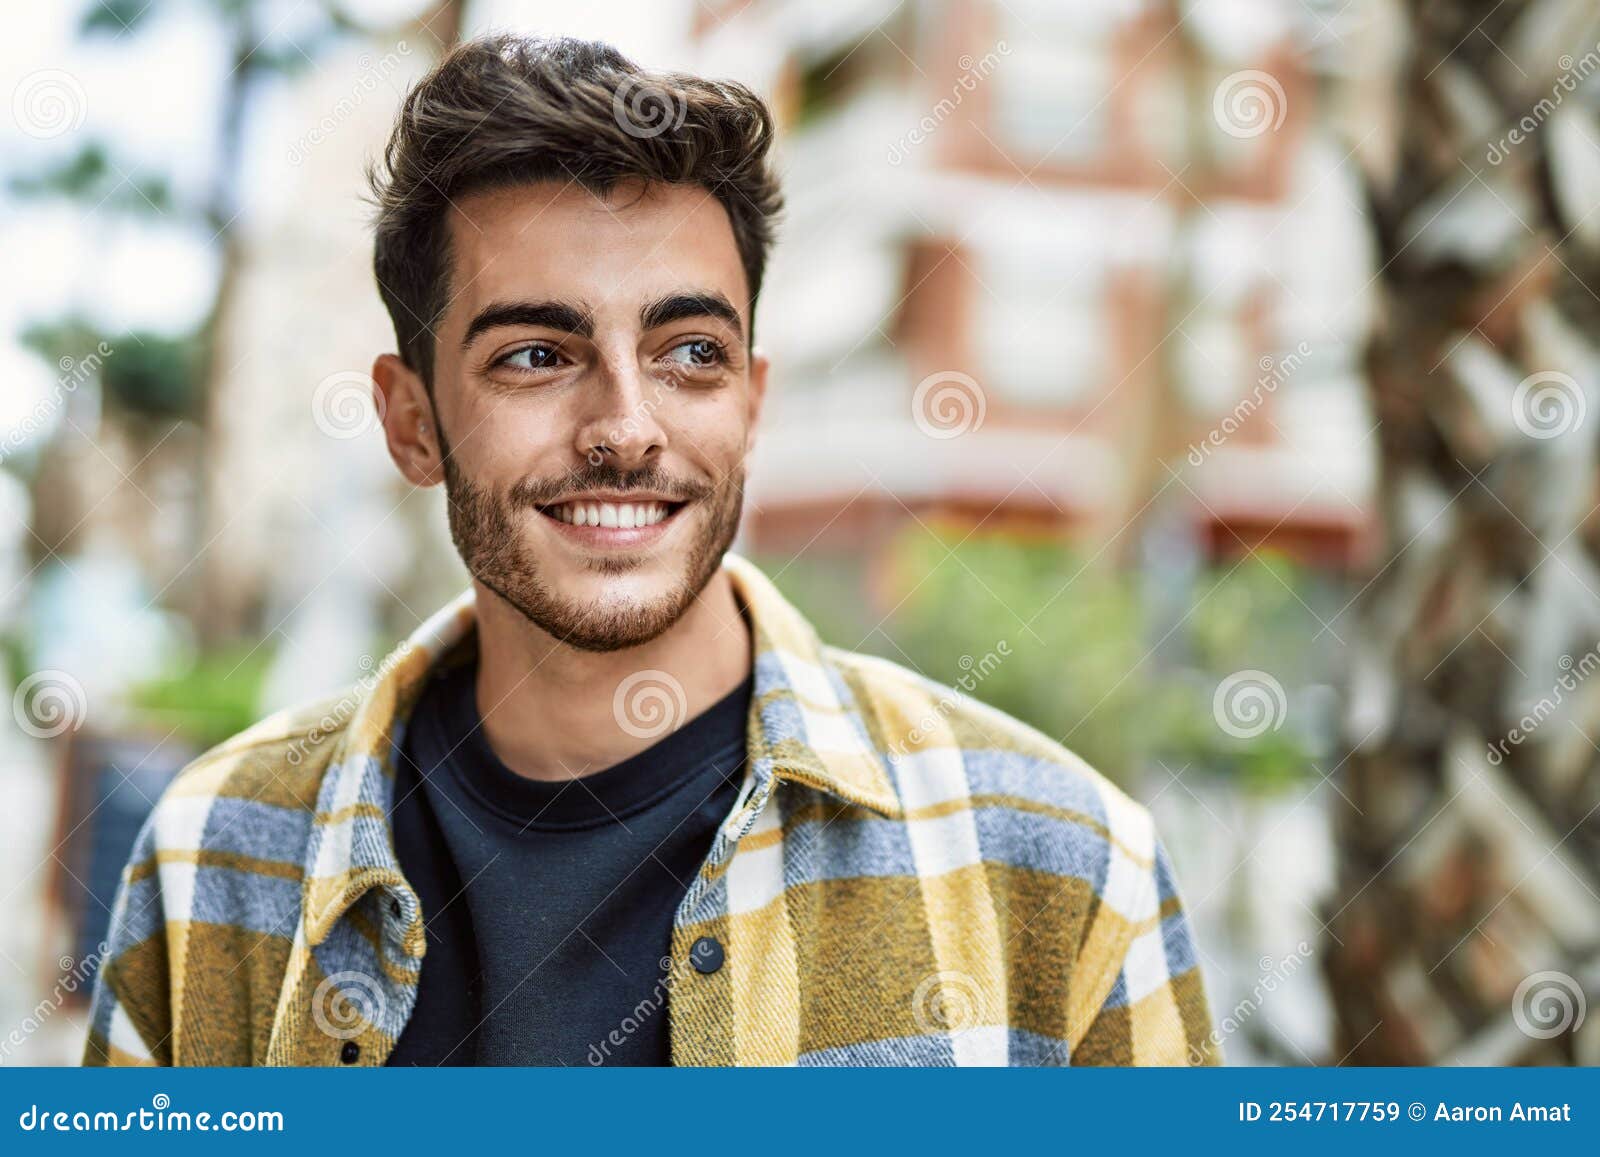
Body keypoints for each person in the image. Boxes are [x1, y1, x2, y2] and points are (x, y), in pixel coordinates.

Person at [84, 34, 1218, 1067]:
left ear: (753, 403)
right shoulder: (216, 857)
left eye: (689, 352)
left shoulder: (1062, 864)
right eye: (536, 354)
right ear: (412, 421)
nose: (625, 428)